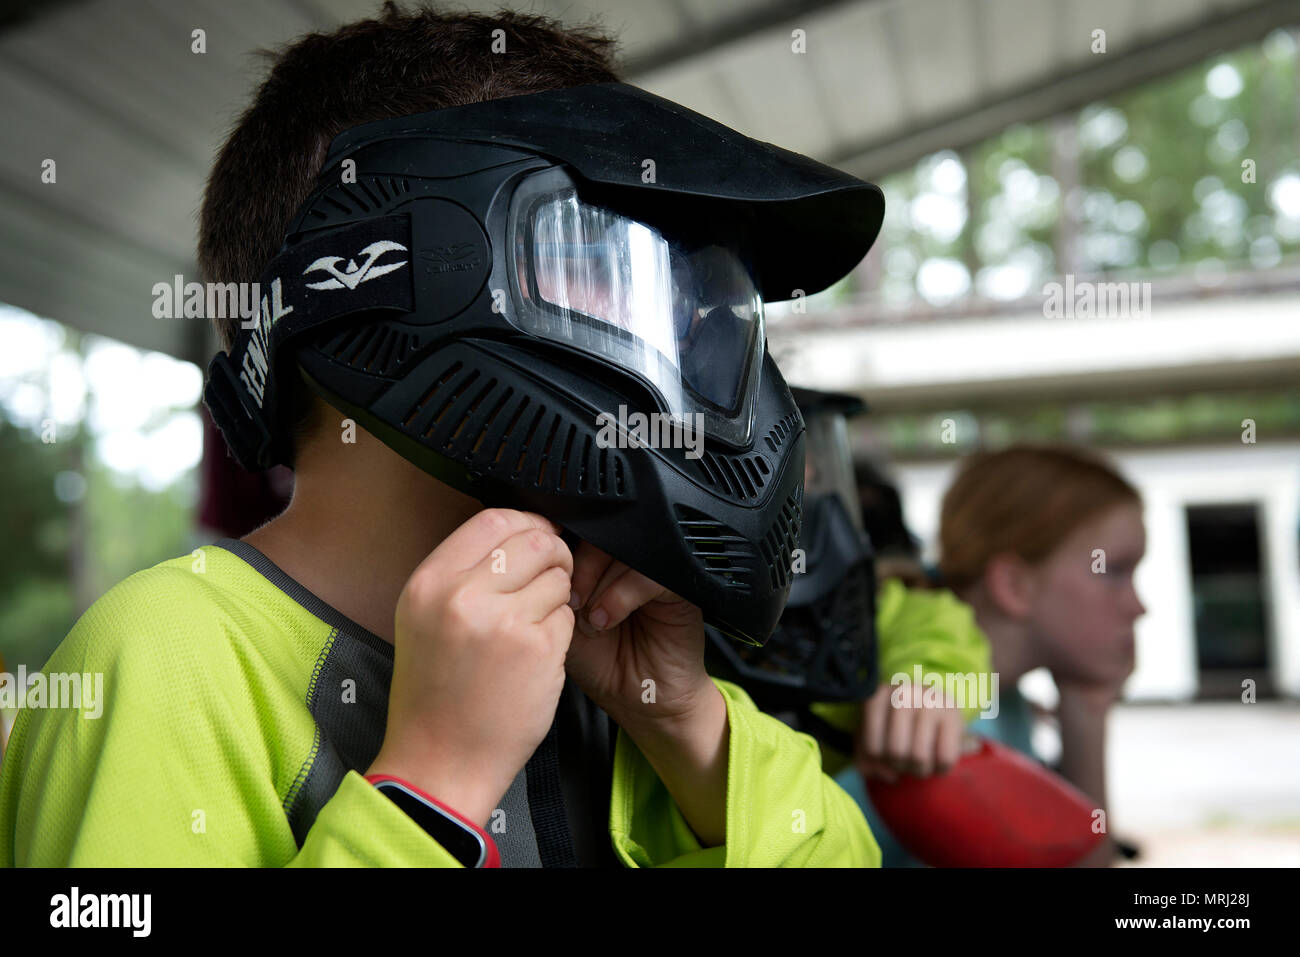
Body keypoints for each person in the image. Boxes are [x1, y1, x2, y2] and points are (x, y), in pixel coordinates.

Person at [0, 5, 885, 867]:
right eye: (604, 265)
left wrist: (684, 721)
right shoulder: (168, 656)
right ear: (381, 277)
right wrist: (432, 786)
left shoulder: (607, 660)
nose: (694, 347)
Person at [935, 443, 1146, 866]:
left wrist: (1087, 708)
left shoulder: (1002, 703)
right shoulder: (947, 720)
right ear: (1015, 586)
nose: (1139, 606)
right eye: (1115, 572)